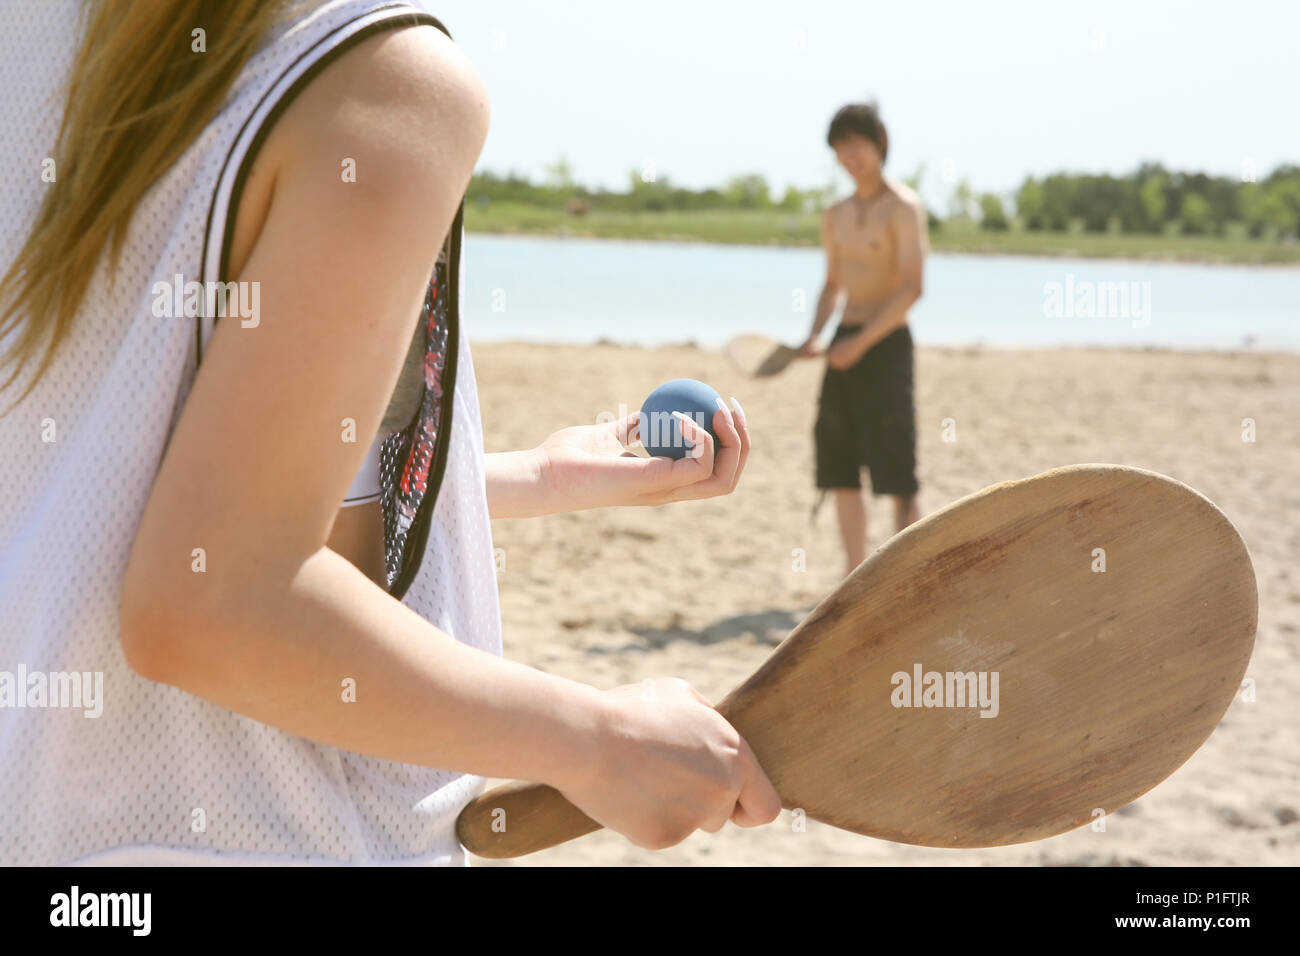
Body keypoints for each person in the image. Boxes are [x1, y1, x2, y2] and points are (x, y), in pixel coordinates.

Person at [0, 0, 781, 866]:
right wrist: (600, 739)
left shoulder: (45, 35)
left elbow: (120, 470)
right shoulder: (383, 82)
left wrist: (531, 478)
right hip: (261, 834)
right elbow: (215, 605)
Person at [800, 101, 928, 575]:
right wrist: (815, 336)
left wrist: (861, 343)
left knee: (898, 471)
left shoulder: (903, 208)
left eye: (858, 144)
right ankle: (856, 576)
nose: (850, 155)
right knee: (838, 466)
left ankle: (905, 575)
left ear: (880, 145)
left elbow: (912, 288)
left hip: (887, 343)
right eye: (841, 146)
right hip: (842, 339)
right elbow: (832, 285)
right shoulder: (835, 214)